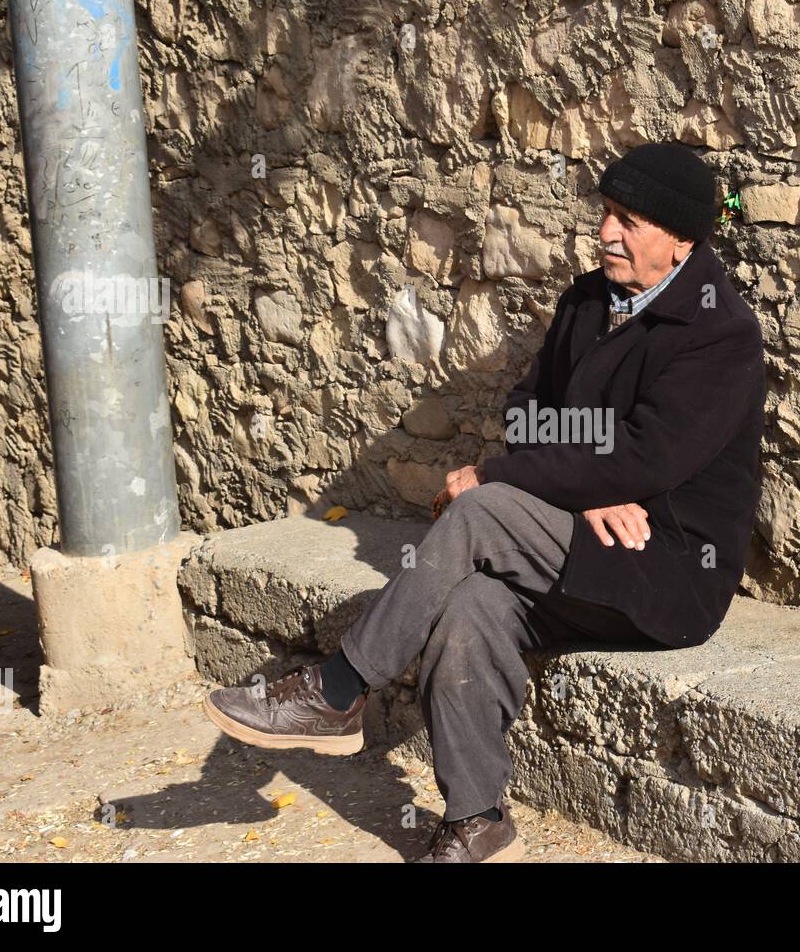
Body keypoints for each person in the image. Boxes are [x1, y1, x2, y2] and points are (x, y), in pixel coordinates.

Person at [203, 141, 766, 862]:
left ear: (681, 238)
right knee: (468, 610)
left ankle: (339, 689)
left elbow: (649, 459)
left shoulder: (719, 334)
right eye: (606, 213)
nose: (605, 233)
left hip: (664, 567)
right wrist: (584, 494)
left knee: (479, 506)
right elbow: (532, 410)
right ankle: (476, 819)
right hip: (580, 536)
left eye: (628, 220)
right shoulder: (588, 301)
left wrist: (529, 478)